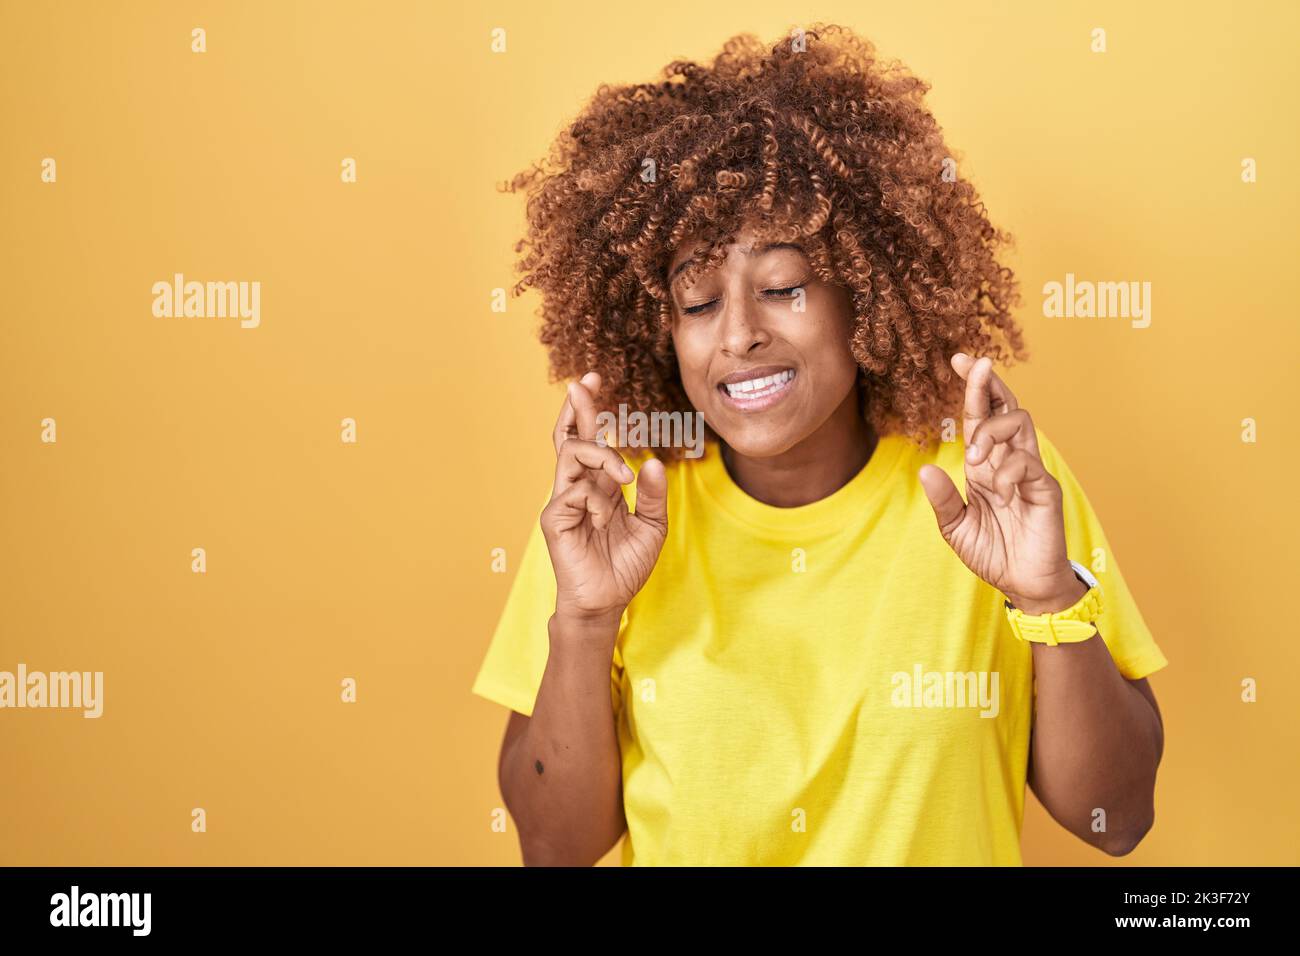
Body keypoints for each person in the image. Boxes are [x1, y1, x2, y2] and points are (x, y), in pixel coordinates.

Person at [471, 24, 1167, 866]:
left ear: (865, 294)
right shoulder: (611, 508)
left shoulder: (989, 480)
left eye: (782, 289)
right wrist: (584, 620)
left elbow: (1117, 820)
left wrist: (1050, 599)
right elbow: (554, 849)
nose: (737, 336)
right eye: (697, 303)